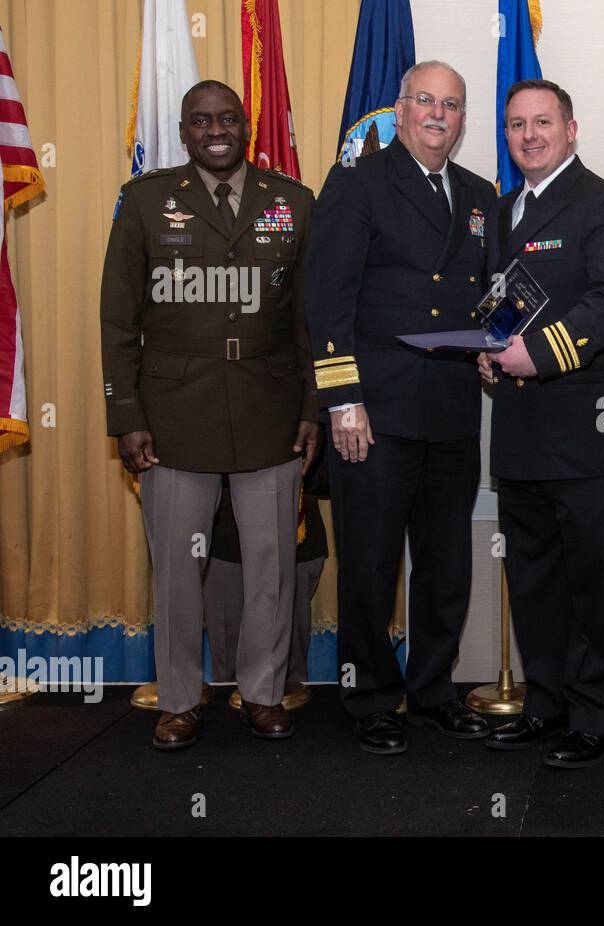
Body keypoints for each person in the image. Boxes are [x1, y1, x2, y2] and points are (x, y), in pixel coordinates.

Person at [100, 80, 319, 749]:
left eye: (227, 118)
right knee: (176, 568)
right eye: (201, 121)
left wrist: (312, 406)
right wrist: (127, 413)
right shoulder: (144, 201)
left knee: (270, 563)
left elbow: (312, 319)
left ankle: (261, 691)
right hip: (172, 414)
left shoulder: (293, 202)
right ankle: (179, 699)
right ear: (184, 130)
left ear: (246, 126)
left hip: (269, 407)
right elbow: (117, 318)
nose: (215, 129)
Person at [306, 61, 497, 756]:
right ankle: (368, 696)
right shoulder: (357, 185)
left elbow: (485, 295)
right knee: (371, 563)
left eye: (452, 104)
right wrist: (343, 399)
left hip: (449, 408)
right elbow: (327, 301)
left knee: (446, 563)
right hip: (375, 413)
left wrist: (496, 345)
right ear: (400, 108)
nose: (438, 115)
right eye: (426, 102)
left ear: (463, 118)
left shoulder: (480, 195)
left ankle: (434, 690)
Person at [476, 79, 604, 769]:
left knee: (596, 581)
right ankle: (547, 704)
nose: (529, 135)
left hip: (591, 432)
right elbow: (498, 304)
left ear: (571, 129)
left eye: (543, 122)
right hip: (521, 435)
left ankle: (600, 713)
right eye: (517, 124)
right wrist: (487, 353)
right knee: (537, 580)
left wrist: (532, 355)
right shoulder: (500, 210)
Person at [205, 454, 329, 709]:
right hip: (225, 541)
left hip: (297, 541)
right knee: (228, 679)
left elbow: (326, 470)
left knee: (289, 681)